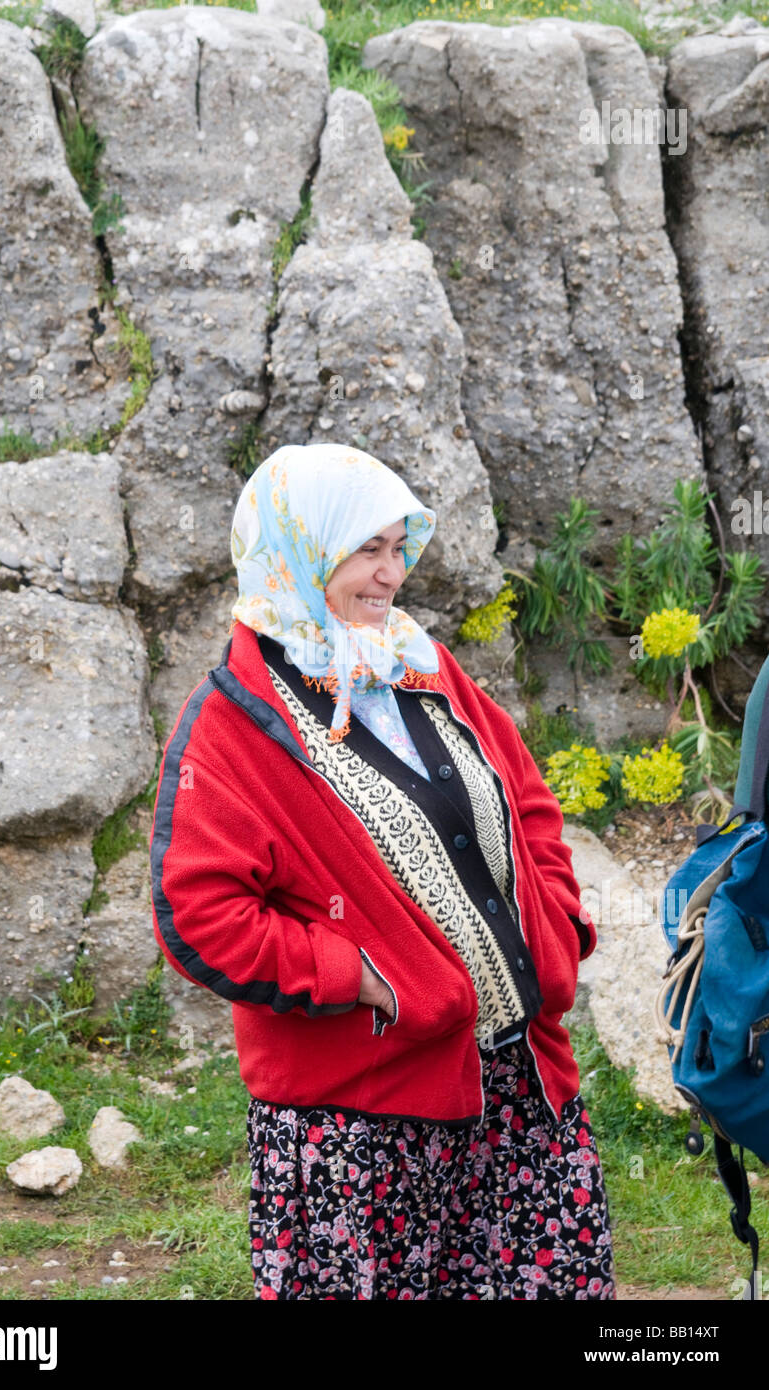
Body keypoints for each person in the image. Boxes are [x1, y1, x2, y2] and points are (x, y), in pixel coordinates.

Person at [150, 442, 616, 1300]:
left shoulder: (417, 667)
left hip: (518, 1089)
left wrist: (555, 920)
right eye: (368, 550)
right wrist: (359, 977)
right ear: (303, 549)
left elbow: (526, 800)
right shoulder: (234, 721)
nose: (391, 574)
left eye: (400, 549)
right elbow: (200, 915)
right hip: (360, 1124)